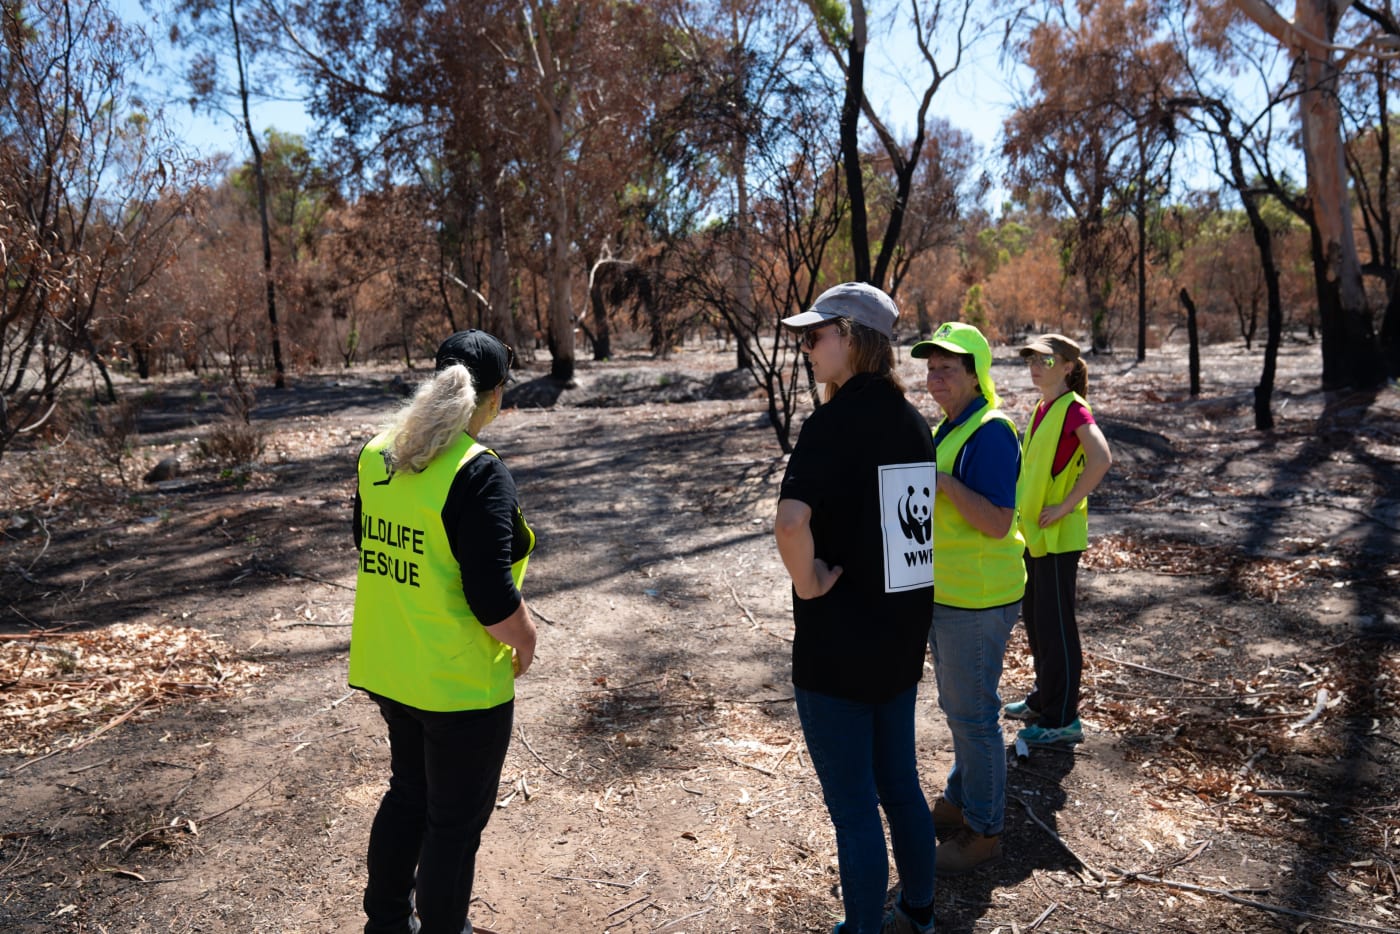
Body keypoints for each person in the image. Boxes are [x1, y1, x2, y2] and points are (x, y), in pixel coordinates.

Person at [349, 329, 537, 934]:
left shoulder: (377, 454)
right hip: (458, 686)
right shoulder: (477, 473)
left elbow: (367, 543)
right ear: (496, 398)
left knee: (408, 794)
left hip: (391, 667)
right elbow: (491, 599)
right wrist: (526, 640)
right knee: (453, 825)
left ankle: (384, 922)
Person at [774, 282, 938, 934]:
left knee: (852, 805)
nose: (807, 347)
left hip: (836, 649)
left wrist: (808, 581)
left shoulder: (830, 424)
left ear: (852, 337)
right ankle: (920, 913)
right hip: (900, 643)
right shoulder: (913, 423)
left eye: (816, 335)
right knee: (900, 785)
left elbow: (791, 524)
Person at [911, 322, 1025, 875]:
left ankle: (983, 831)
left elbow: (1000, 523)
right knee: (961, 708)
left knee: (973, 715)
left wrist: (946, 486)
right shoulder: (952, 426)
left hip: (978, 599)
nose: (935, 379)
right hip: (953, 593)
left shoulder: (991, 430)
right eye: (931, 368)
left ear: (977, 375)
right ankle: (960, 799)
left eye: (947, 370)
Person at [1004, 334, 1112, 748]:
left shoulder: (1074, 409)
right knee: (1038, 622)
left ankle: (1063, 717)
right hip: (1035, 535)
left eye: (1045, 360)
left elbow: (1101, 459)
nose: (1035, 365)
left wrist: (1066, 506)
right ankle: (1044, 698)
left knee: (1058, 628)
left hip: (1058, 537)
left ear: (1067, 366)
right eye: (1031, 358)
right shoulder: (1043, 407)